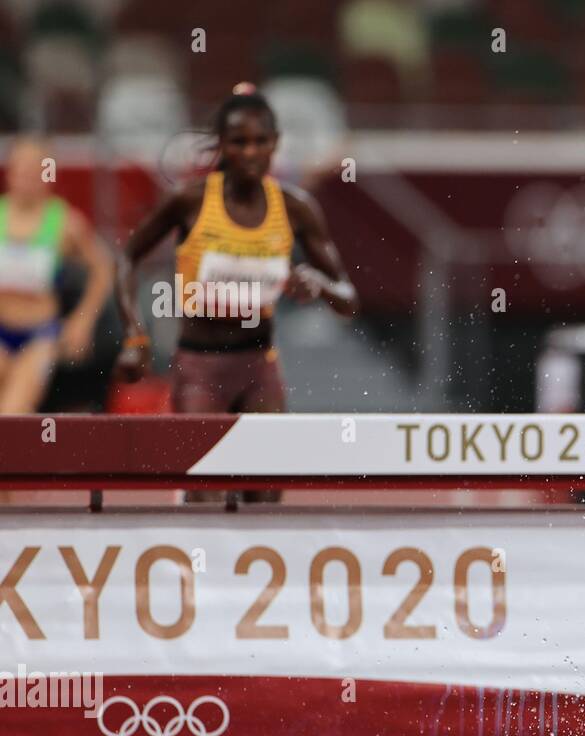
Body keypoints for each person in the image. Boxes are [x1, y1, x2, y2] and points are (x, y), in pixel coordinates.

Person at [114, 84, 357, 500]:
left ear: (276, 144)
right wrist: (136, 334)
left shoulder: (295, 208)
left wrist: (318, 285)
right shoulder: (189, 201)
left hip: (259, 366)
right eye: (239, 142)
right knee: (204, 494)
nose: (251, 153)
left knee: (265, 497)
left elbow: (347, 298)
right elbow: (127, 258)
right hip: (199, 367)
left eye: (261, 142)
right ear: (222, 145)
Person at [0, 137, 113, 413]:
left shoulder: (65, 223)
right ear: (10, 173)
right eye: (20, 170)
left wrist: (82, 321)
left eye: (34, 171)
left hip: (39, 335)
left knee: (13, 410)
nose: (26, 178)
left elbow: (104, 267)